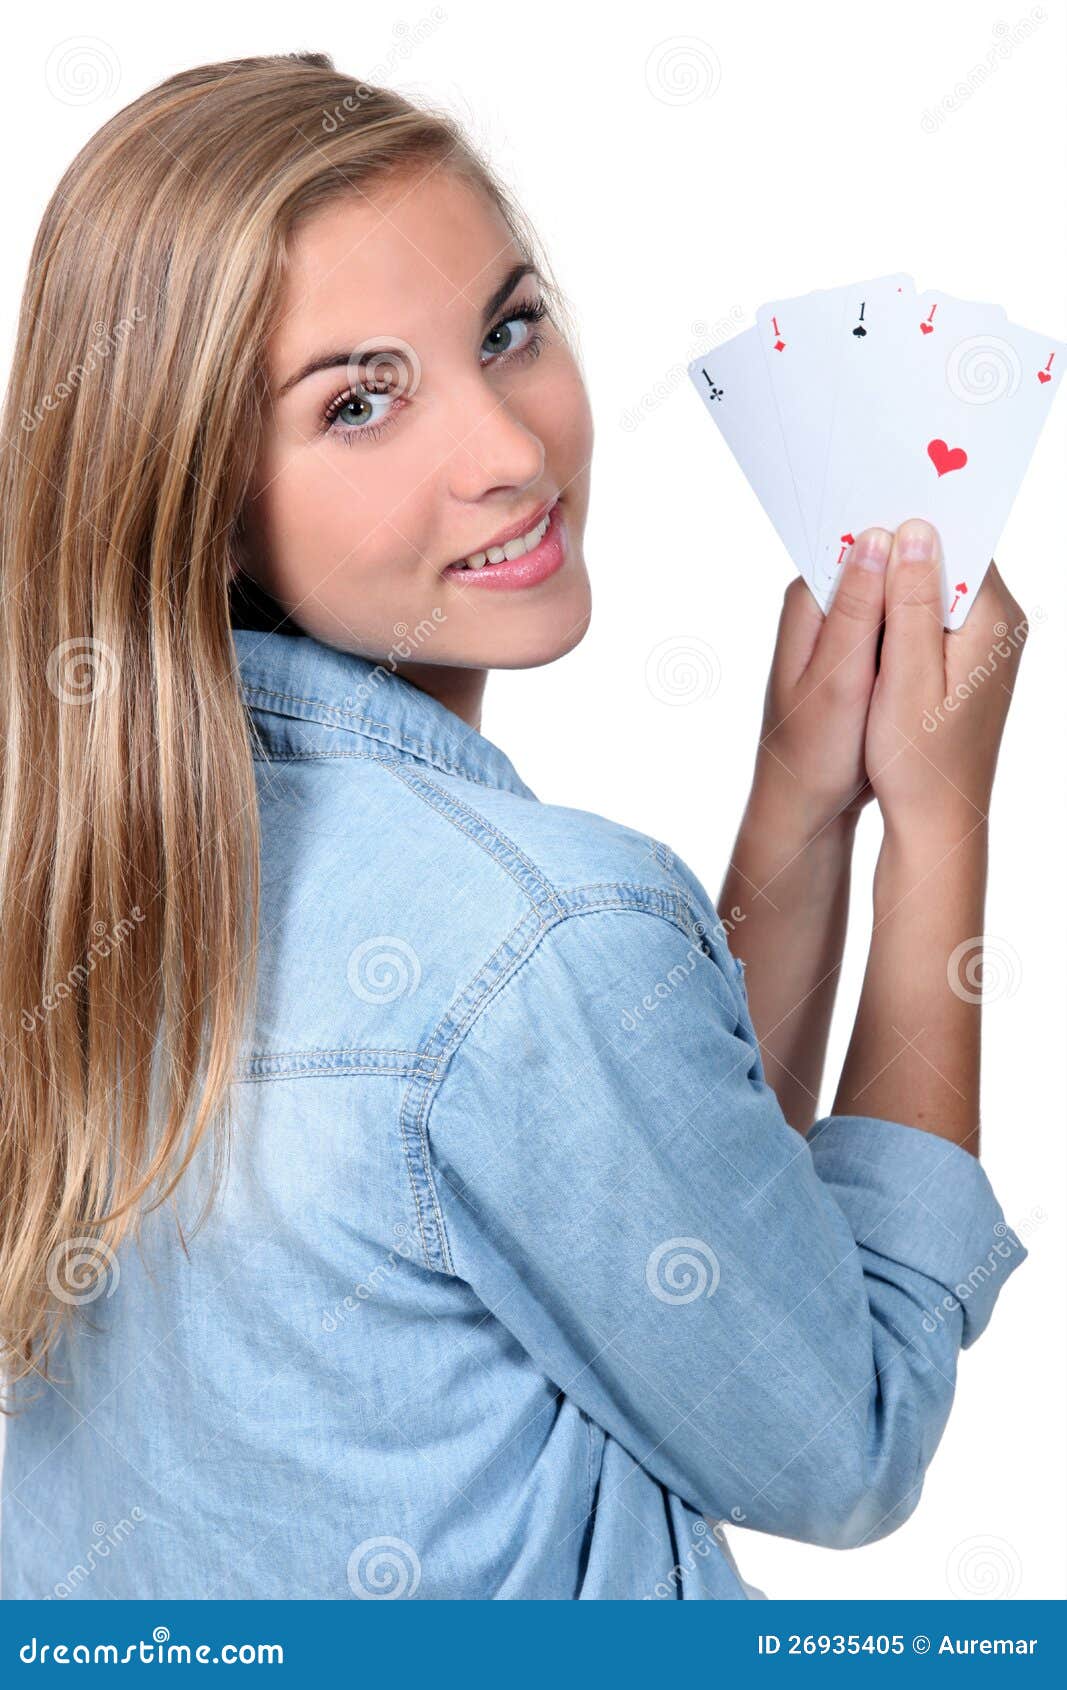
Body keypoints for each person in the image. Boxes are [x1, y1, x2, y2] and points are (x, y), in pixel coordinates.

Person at [0, 51, 1028, 1601]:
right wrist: (940, 834)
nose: (512, 449)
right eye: (359, 402)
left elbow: (651, 1221)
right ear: (197, 489)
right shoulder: (540, 937)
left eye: (508, 329)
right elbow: (844, 1432)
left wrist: (800, 812)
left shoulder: (73, 870)